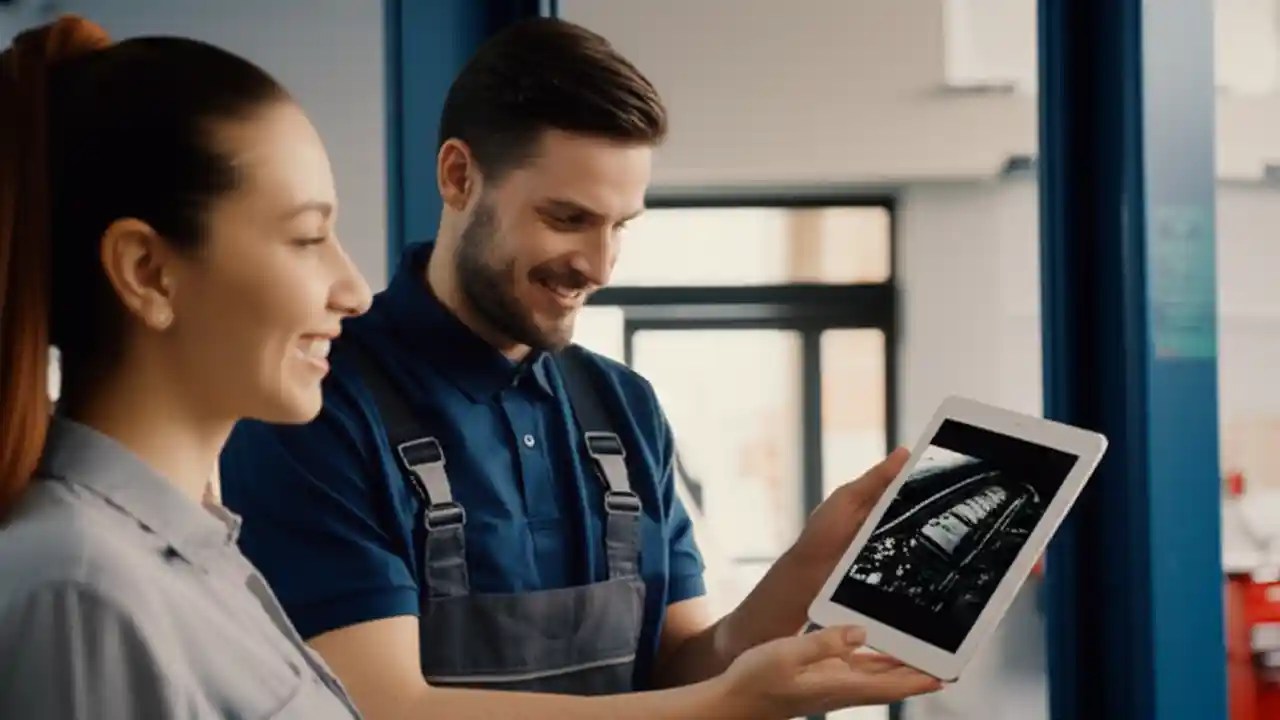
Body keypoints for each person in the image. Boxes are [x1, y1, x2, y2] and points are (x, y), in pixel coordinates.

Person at [219, 17, 942, 720]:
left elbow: (683, 669)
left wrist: (806, 569)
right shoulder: (316, 402)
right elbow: (380, 707)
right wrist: (725, 711)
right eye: (567, 219)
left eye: (619, 225)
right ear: (458, 176)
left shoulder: (622, 407)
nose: (598, 266)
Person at [0, 15, 375, 718]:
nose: (353, 291)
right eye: (307, 237)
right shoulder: (82, 593)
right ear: (148, 273)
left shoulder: (185, 553)